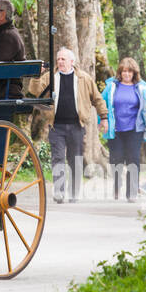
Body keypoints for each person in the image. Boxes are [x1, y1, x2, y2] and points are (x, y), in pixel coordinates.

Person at [26, 47, 108, 203]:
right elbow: (34, 90)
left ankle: (74, 192)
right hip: (56, 126)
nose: (60, 62)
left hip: (77, 126)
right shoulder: (50, 77)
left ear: (72, 61)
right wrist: (37, 75)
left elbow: (97, 99)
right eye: (58, 59)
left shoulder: (84, 78)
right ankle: (59, 191)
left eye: (63, 59)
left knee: (75, 159)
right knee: (57, 158)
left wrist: (104, 117)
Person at [101, 58, 146, 201]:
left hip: (135, 129)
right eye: (124, 71)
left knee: (133, 160)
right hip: (116, 129)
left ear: (134, 73)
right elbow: (102, 103)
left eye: (129, 71)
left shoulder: (140, 87)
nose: (127, 74)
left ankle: (131, 192)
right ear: (120, 72)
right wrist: (102, 121)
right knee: (116, 159)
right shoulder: (112, 87)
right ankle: (116, 187)